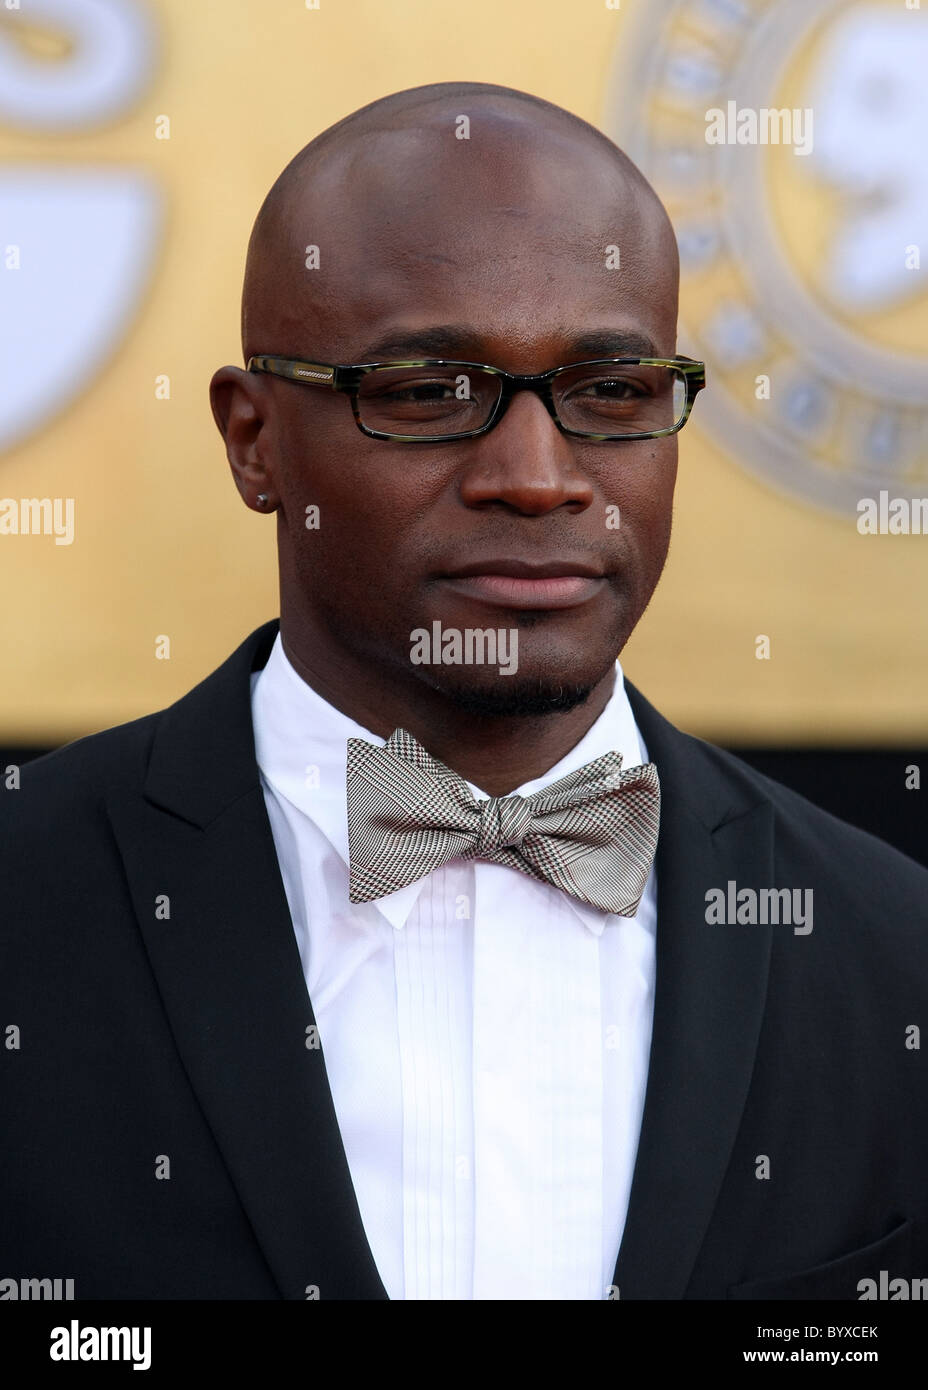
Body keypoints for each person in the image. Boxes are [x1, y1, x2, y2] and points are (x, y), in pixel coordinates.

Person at [2, 82, 926, 1302]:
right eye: (428, 392)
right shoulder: (29, 905)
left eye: (612, 391)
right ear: (252, 440)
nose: (536, 479)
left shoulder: (891, 951)